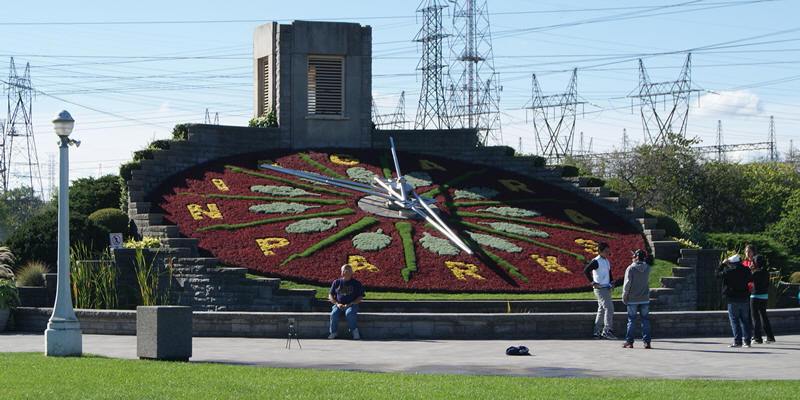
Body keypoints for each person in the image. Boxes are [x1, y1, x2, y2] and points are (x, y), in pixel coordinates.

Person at [717, 254, 753, 348]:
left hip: (732, 299)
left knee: (735, 321)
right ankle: (747, 341)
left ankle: (738, 341)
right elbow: (750, 279)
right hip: (744, 298)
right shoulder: (747, 270)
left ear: (732, 263)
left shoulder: (729, 271)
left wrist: (723, 264)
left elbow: (717, 275)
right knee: (745, 321)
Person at [584, 242, 616, 339]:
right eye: (606, 251)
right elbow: (586, 271)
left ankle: (596, 332)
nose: (607, 253)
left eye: (608, 251)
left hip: (607, 287)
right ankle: (607, 331)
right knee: (609, 308)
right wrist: (593, 282)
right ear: (600, 251)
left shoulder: (606, 261)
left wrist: (612, 282)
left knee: (601, 309)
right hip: (600, 289)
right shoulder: (596, 261)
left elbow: (609, 272)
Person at [622, 249, 651, 349]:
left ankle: (629, 342)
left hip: (632, 299)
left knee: (631, 320)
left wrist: (624, 296)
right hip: (645, 298)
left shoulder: (631, 268)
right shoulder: (648, 268)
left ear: (636, 257)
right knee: (645, 320)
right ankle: (647, 342)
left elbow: (627, 284)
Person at [328, 264, 365, 340]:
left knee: (349, 313)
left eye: (348, 270)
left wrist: (351, 304)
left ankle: (354, 331)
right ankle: (333, 332)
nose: (346, 272)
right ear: (341, 272)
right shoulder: (336, 282)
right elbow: (330, 295)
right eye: (344, 270)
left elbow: (360, 297)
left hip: (352, 305)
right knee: (334, 313)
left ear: (352, 272)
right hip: (339, 305)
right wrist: (337, 304)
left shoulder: (357, 283)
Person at [749, 254, 775, 344]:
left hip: (755, 296)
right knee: (764, 316)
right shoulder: (766, 272)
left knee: (755, 318)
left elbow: (748, 279)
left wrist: (750, 269)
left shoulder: (756, 272)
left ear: (756, 263)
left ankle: (757, 338)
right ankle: (770, 337)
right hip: (764, 296)